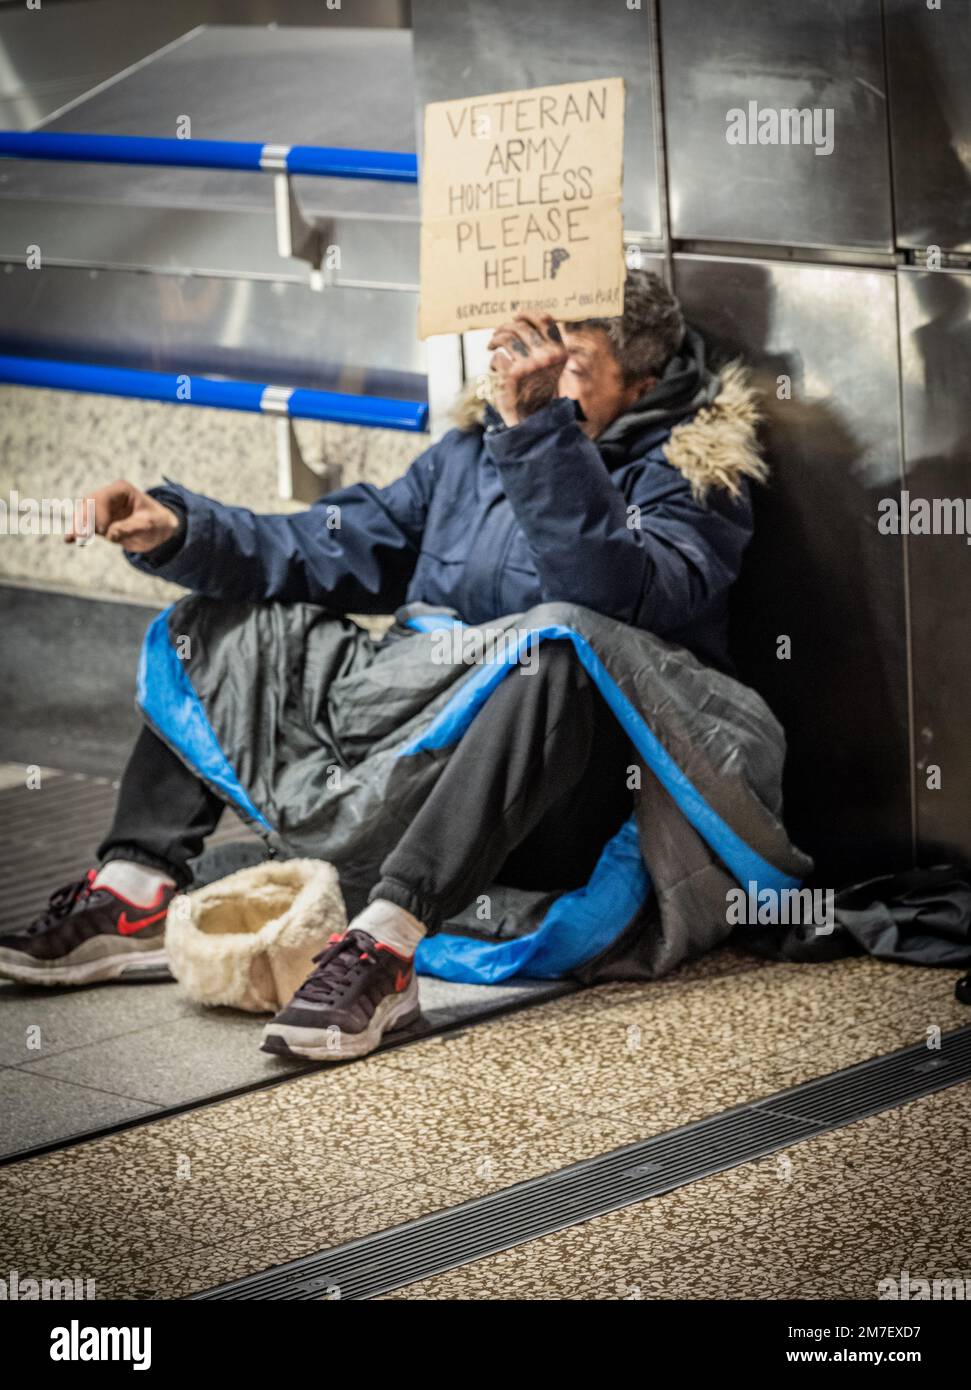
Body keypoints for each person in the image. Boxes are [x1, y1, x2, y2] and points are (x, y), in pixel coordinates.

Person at [0, 270, 766, 1060]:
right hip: (414, 738)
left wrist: (538, 433)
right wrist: (181, 531)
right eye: (529, 353)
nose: (537, 376)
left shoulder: (691, 477)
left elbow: (610, 598)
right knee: (223, 624)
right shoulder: (468, 453)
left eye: (568, 364)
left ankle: (386, 947)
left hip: (550, 791)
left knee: (559, 649)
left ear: (642, 382)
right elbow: (326, 544)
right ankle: (133, 890)